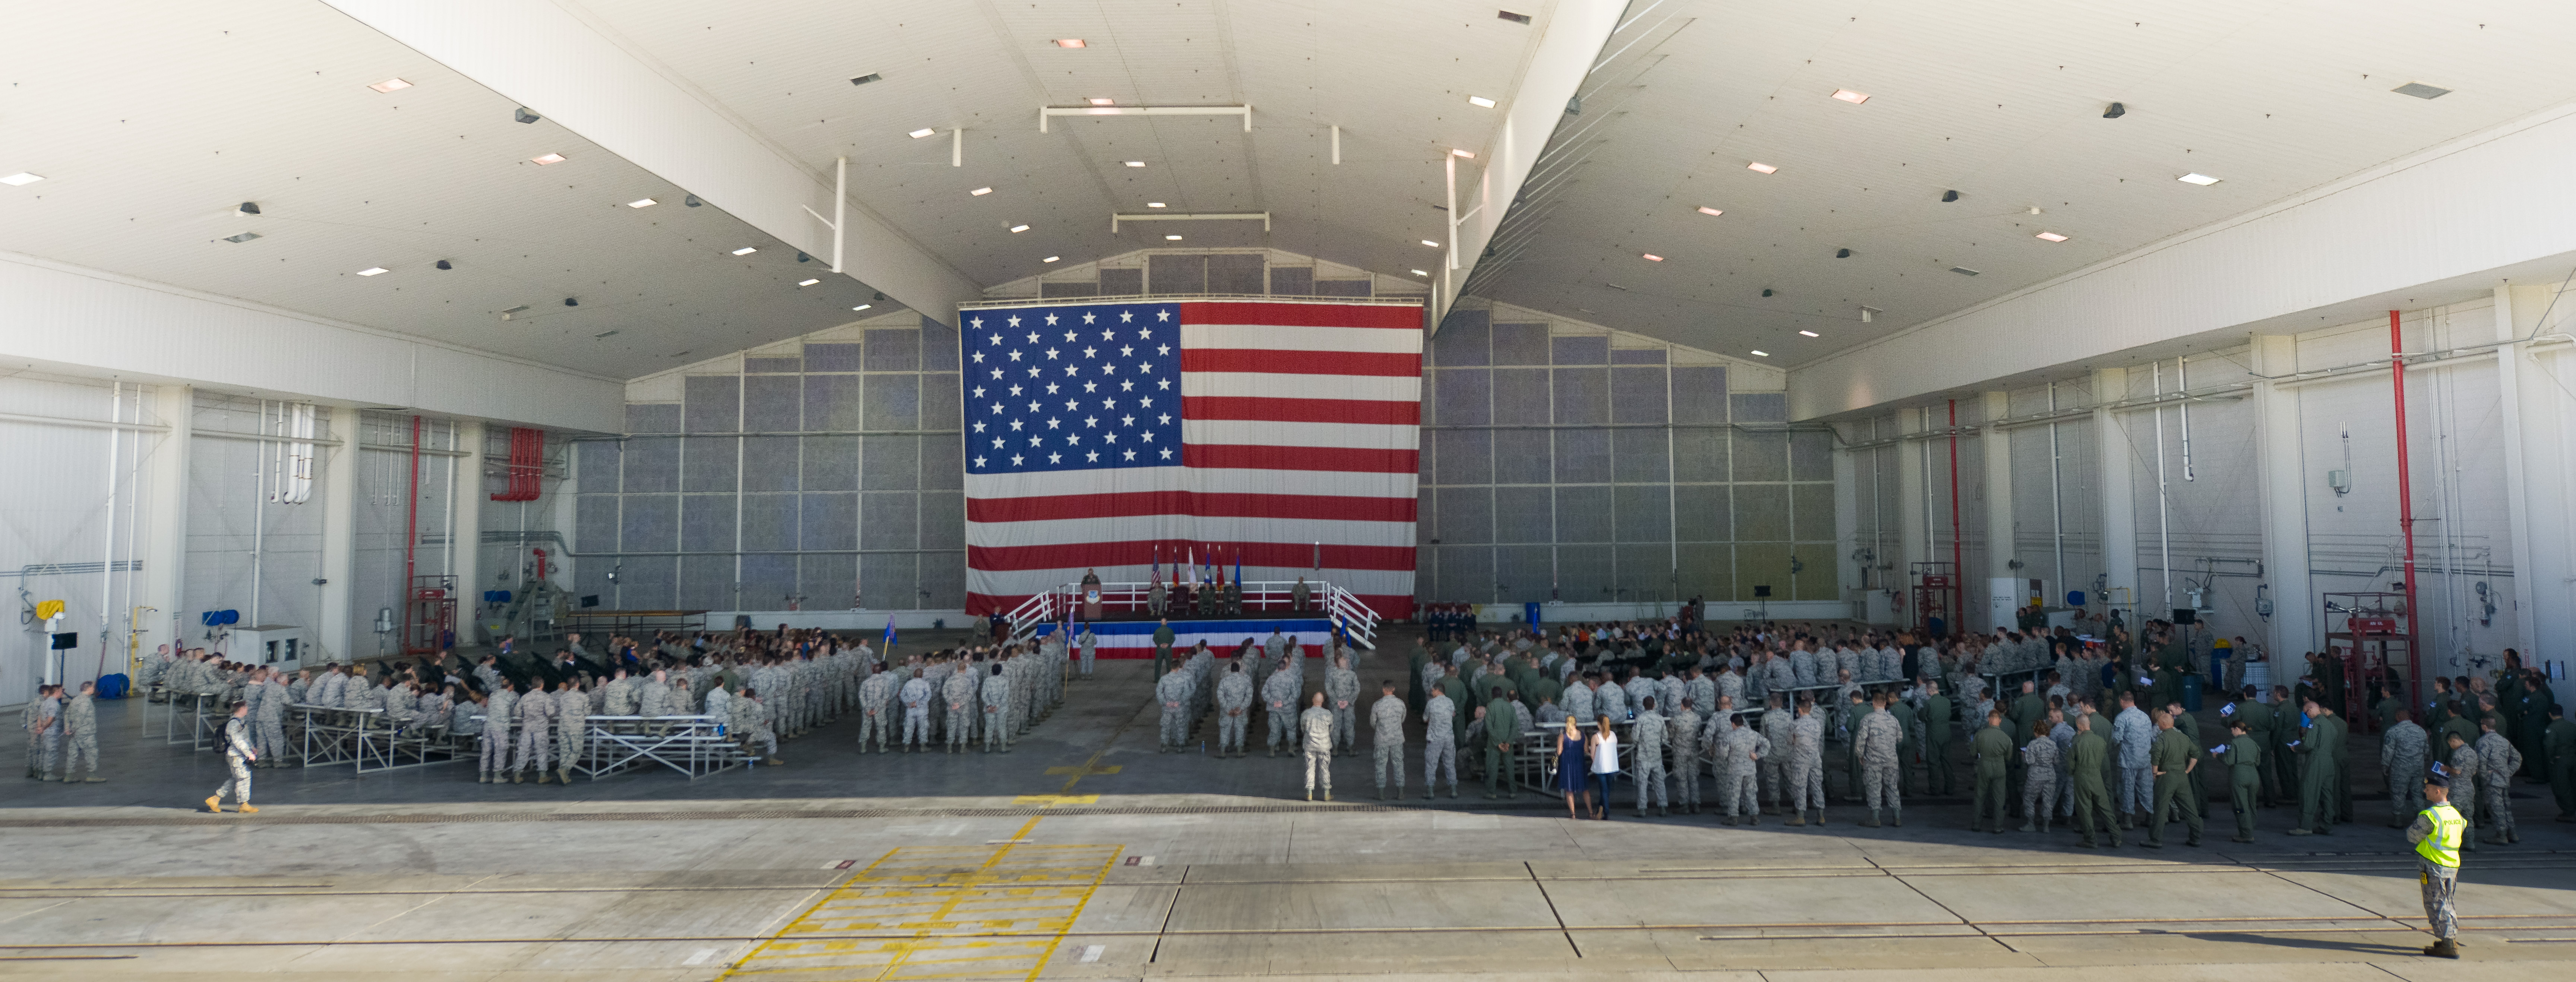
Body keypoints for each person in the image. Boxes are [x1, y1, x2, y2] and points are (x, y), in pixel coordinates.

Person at [2408, 771, 2468, 958]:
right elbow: (2463, 827)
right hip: (2452, 865)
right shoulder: (2455, 814)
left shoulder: (2431, 815)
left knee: (2436, 903)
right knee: (2447, 902)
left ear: (2439, 792)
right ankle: (2450, 937)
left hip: (2434, 865)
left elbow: (2412, 836)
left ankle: (2448, 944)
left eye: (2428, 788)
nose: (2425, 791)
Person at [2144, 708, 2204, 848]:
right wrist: (2187, 770)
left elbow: (2155, 758)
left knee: (2160, 809)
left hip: (2166, 777)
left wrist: (2155, 774)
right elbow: (2196, 754)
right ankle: (2196, 837)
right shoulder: (2184, 737)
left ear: (2164, 725)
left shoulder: (2162, 739)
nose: (2158, 725)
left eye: (2159, 723)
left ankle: (2155, 840)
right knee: (2190, 809)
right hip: (2182, 777)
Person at [2069, 713, 2119, 848]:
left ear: (2079, 725)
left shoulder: (2077, 742)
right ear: (2089, 725)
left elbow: (2070, 765)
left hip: (2082, 777)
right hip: (2097, 776)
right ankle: (2116, 836)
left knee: (2084, 809)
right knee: (2105, 808)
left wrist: (2073, 772)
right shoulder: (2100, 741)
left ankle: (2090, 839)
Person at [2475, 716, 2524, 845]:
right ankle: (2512, 833)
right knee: (2506, 807)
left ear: (2484, 726)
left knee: (2495, 808)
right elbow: (2518, 758)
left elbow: (2481, 761)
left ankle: (2501, 835)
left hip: (2492, 781)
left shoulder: (2483, 742)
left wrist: (2484, 777)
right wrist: (2508, 772)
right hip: (2504, 780)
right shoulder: (2504, 741)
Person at [205, 700, 258, 814]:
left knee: (238, 778)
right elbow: (238, 741)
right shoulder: (234, 724)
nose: (248, 709)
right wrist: (249, 753)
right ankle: (243, 804)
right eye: (246, 707)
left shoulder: (241, 722)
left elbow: (246, 737)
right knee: (244, 778)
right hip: (236, 755)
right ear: (242, 709)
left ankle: (216, 799)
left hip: (239, 755)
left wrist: (252, 747)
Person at [2217, 717, 2263, 842]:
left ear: (2237, 729)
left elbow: (2229, 761)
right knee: (2252, 804)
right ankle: (2251, 827)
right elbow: (2258, 762)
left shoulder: (2234, 743)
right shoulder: (2254, 743)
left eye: (2232, 730)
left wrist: (2218, 756)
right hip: (2253, 776)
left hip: (2239, 776)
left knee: (2240, 806)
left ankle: (2246, 834)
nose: (2232, 733)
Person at [1971, 710, 2013, 833]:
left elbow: (1973, 753)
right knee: (2000, 799)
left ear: (1989, 720)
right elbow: (2009, 758)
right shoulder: (2006, 738)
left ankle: (1977, 825)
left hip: (1984, 767)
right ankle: (1998, 827)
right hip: (2000, 768)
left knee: (1980, 797)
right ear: (2000, 721)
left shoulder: (1980, 735)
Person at [1370, 681, 1407, 799]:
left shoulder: (1377, 705)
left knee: (1381, 765)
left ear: (1384, 690)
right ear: (1394, 689)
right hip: (1397, 739)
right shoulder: (1400, 704)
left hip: (1382, 739)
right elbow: (1403, 719)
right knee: (1399, 764)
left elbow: (1373, 723)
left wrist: (1381, 729)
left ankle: (1381, 794)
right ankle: (1400, 793)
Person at [1423, 685, 1459, 799]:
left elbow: (1425, 719)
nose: (1432, 692)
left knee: (1431, 765)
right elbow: (1453, 715)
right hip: (1449, 738)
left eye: (1433, 690)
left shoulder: (1431, 703)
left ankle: (1430, 792)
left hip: (1435, 739)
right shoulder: (1450, 702)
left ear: (1438, 690)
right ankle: (1453, 791)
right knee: (1450, 764)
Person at [1300, 691, 1335, 801]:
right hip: (1324, 745)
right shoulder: (1328, 714)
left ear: (1313, 700)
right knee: (1325, 769)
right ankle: (1326, 793)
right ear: (1323, 701)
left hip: (1310, 745)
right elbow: (1331, 729)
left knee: (1310, 768)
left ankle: (1310, 793)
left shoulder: (1306, 714)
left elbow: (1303, 728)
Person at [1556, 718, 1592, 818]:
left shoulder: (1563, 736)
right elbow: (1586, 750)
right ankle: (1590, 812)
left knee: (1569, 790)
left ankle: (1573, 814)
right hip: (1580, 764)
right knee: (1585, 789)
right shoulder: (1583, 736)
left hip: (1567, 765)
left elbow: (1559, 752)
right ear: (1576, 723)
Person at [1588, 715, 1621, 820]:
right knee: (1607, 790)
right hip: (1612, 766)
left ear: (1599, 724)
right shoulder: (1613, 735)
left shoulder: (1596, 737)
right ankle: (1601, 809)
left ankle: (1606, 811)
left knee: (1603, 790)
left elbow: (1592, 755)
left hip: (1601, 767)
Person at [2548, 704, 2575, 823]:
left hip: (2560, 761)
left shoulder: (2552, 728)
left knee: (2561, 786)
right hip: (2573, 759)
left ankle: (2569, 812)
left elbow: (2550, 745)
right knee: (2573, 785)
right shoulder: (2572, 726)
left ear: (2550, 714)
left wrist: (2551, 758)